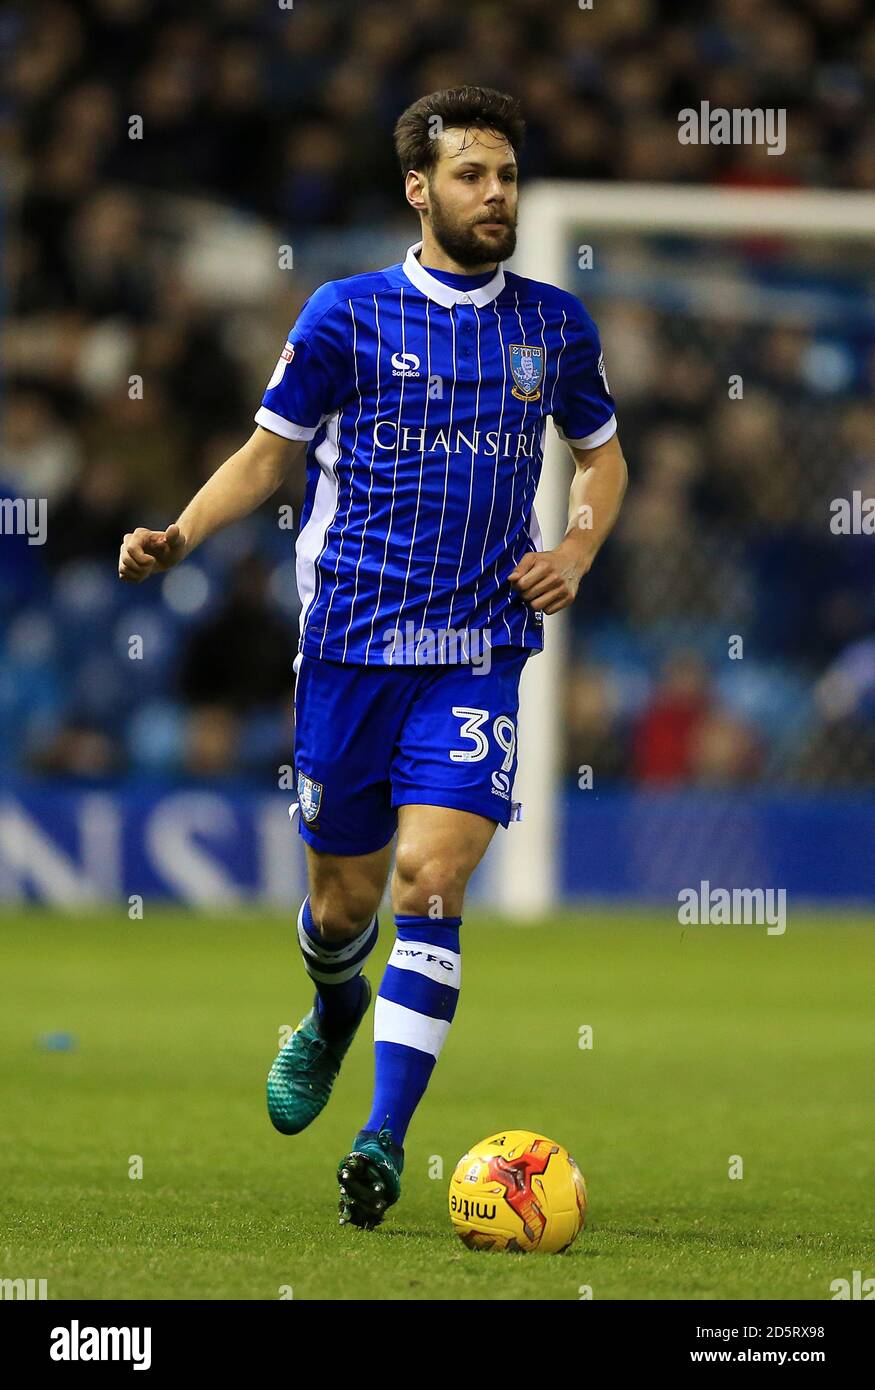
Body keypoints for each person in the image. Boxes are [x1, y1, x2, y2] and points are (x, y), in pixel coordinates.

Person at [118, 85, 628, 1229]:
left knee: (429, 882)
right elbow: (266, 458)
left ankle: (381, 1143)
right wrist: (179, 533)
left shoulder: (552, 326)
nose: (493, 193)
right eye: (469, 175)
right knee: (343, 908)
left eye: (504, 174)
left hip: (475, 652)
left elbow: (602, 460)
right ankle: (332, 1009)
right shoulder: (345, 314)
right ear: (419, 189)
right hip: (349, 651)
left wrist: (577, 551)